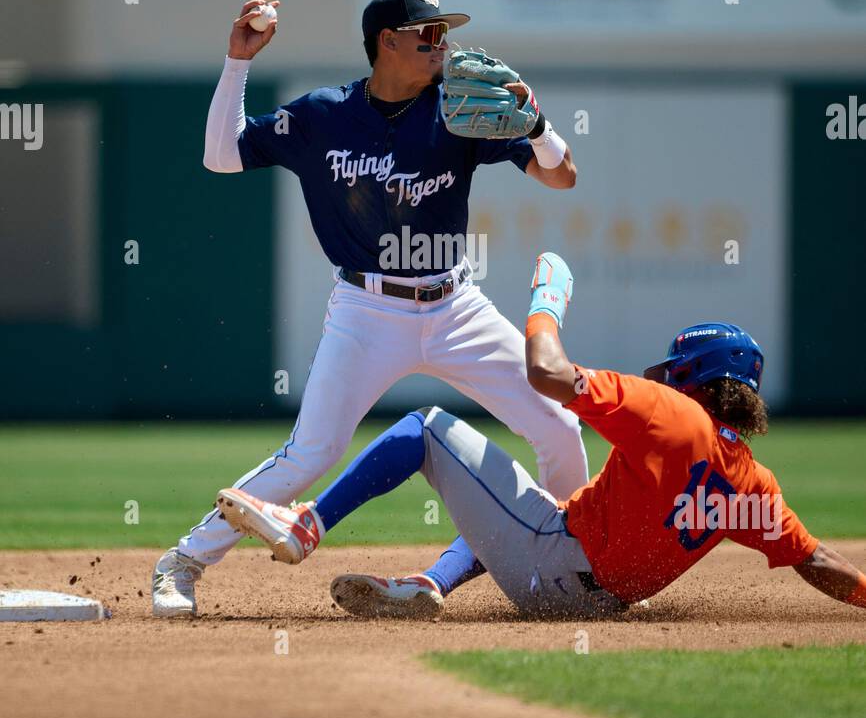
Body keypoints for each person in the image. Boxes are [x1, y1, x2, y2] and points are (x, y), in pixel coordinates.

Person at [152, 0, 588, 617]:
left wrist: (539, 128)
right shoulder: (322, 116)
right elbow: (220, 157)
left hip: (454, 306)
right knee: (312, 452)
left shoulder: (459, 109)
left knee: (559, 426)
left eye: (443, 33)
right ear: (387, 41)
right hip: (367, 311)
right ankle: (182, 561)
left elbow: (562, 175)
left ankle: (570, 560)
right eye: (428, 33)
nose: (443, 45)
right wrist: (237, 61)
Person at [216, 253, 866, 622]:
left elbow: (546, 373)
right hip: (601, 599)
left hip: (550, 570)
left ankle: (309, 523)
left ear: (693, 377)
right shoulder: (752, 480)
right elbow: (822, 567)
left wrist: (547, 298)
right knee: (515, 499)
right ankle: (432, 582)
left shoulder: (666, 410)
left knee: (426, 428)